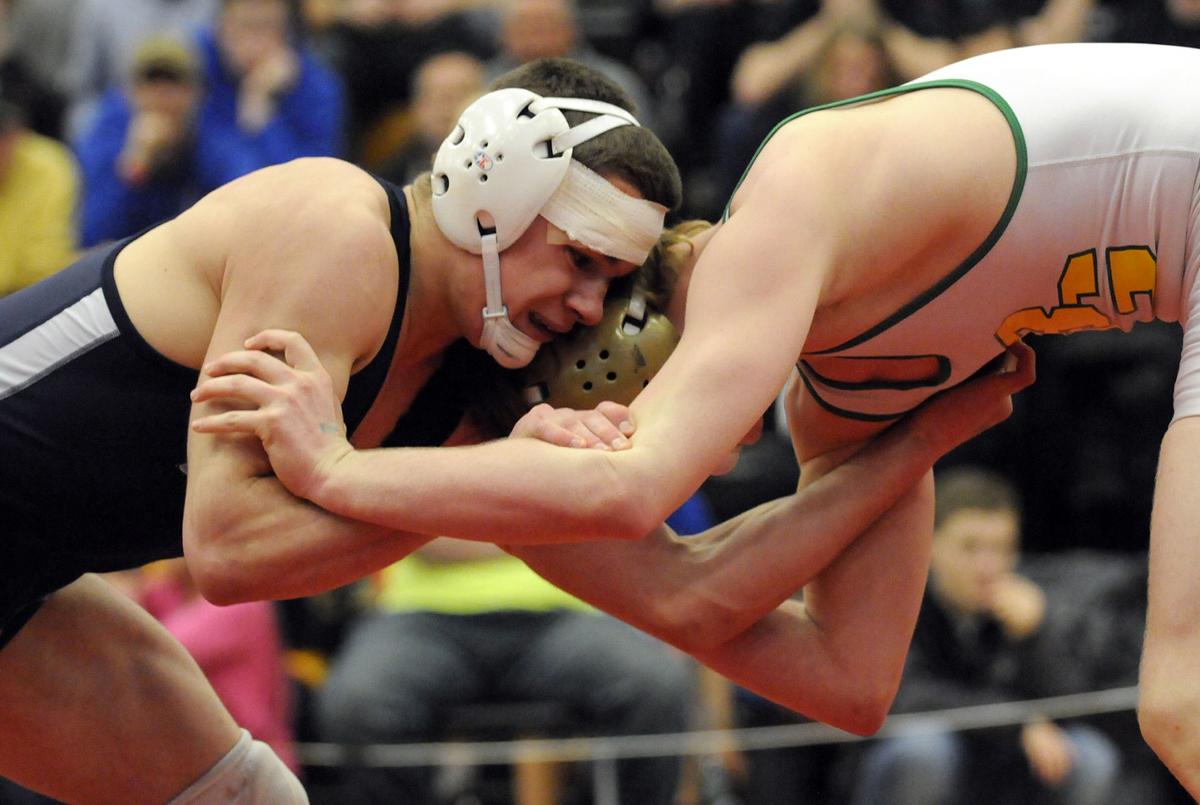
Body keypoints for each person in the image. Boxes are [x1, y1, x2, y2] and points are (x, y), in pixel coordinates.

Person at [190, 40, 1200, 798]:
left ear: (632, 333)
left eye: (628, 413)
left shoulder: (783, 209)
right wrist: (923, 440)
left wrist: (334, 467)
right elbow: (847, 680)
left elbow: (629, 495)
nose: (720, 437)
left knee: (1180, 700)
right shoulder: (855, 389)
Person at [0, 57, 683, 803]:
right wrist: (484, 486)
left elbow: (684, 598)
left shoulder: (463, 382)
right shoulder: (334, 231)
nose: (590, 308)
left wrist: (806, 476)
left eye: (611, 283)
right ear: (493, 190)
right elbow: (229, 546)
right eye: (579, 259)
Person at [849, 467, 1120, 805]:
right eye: (971, 548)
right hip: (921, 756)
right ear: (928, 544)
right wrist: (1014, 721)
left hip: (999, 764)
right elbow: (905, 699)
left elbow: (1072, 706)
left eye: (1002, 548)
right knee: (923, 748)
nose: (988, 566)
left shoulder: (1027, 605)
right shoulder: (896, 603)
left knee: (1089, 755)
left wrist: (1037, 635)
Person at [75, 36, 204, 247]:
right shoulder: (104, 137)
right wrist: (136, 162)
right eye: (151, 82)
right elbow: (95, 235)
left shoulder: (207, 135)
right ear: (130, 91)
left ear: (193, 93)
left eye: (173, 82)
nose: (161, 96)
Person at [0, 74, 78, 297]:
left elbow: (44, 266)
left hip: (28, 300)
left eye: (2, 132)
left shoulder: (48, 163)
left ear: (19, 131)